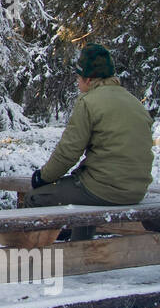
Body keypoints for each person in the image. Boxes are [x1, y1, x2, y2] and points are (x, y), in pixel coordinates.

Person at [27, 44, 153, 209]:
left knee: (35, 198)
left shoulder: (88, 102)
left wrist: (43, 177)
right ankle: (78, 236)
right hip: (136, 190)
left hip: (104, 189)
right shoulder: (134, 102)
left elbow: (68, 152)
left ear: (88, 79)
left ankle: (59, 235)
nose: (77, 83)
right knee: (83, 191)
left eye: (78, 77)